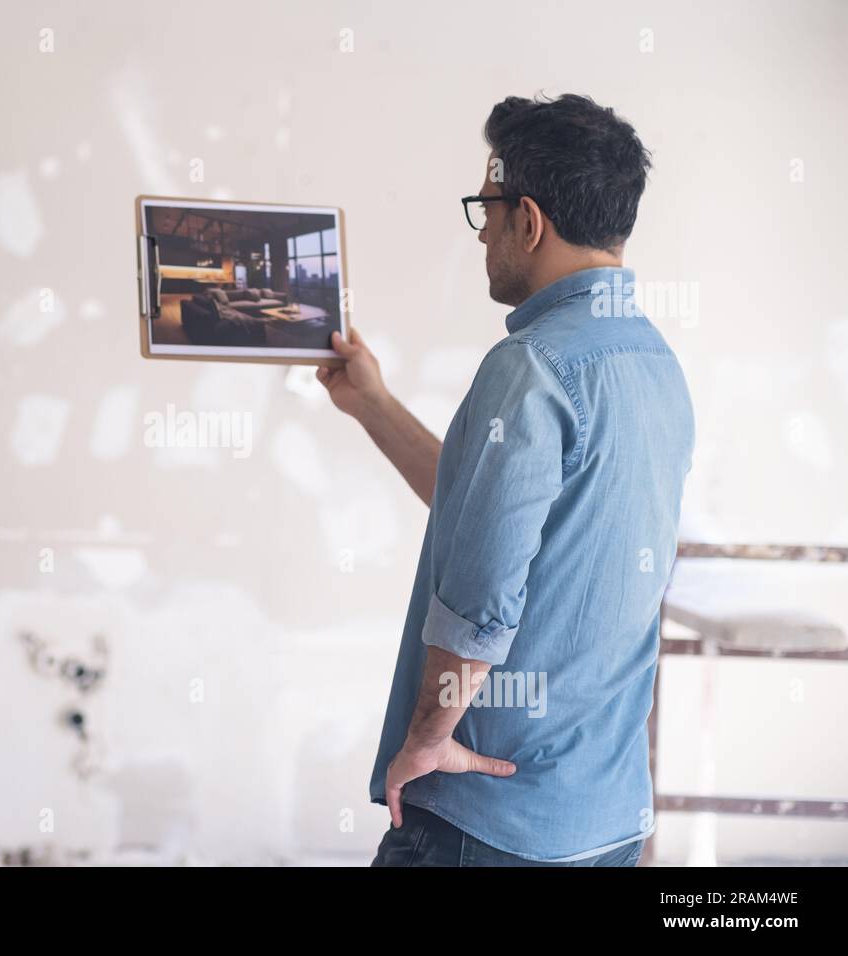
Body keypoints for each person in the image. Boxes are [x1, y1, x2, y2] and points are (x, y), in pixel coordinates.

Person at [317, 94, 693, 866]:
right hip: (605, 820)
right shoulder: (656, 365)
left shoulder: (530, 368)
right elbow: (494, 514)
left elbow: (482, 600)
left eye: (486, 210)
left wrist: (427, 740)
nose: (482, 232)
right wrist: (374, 405)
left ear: (528, 220)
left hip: (485, 821)